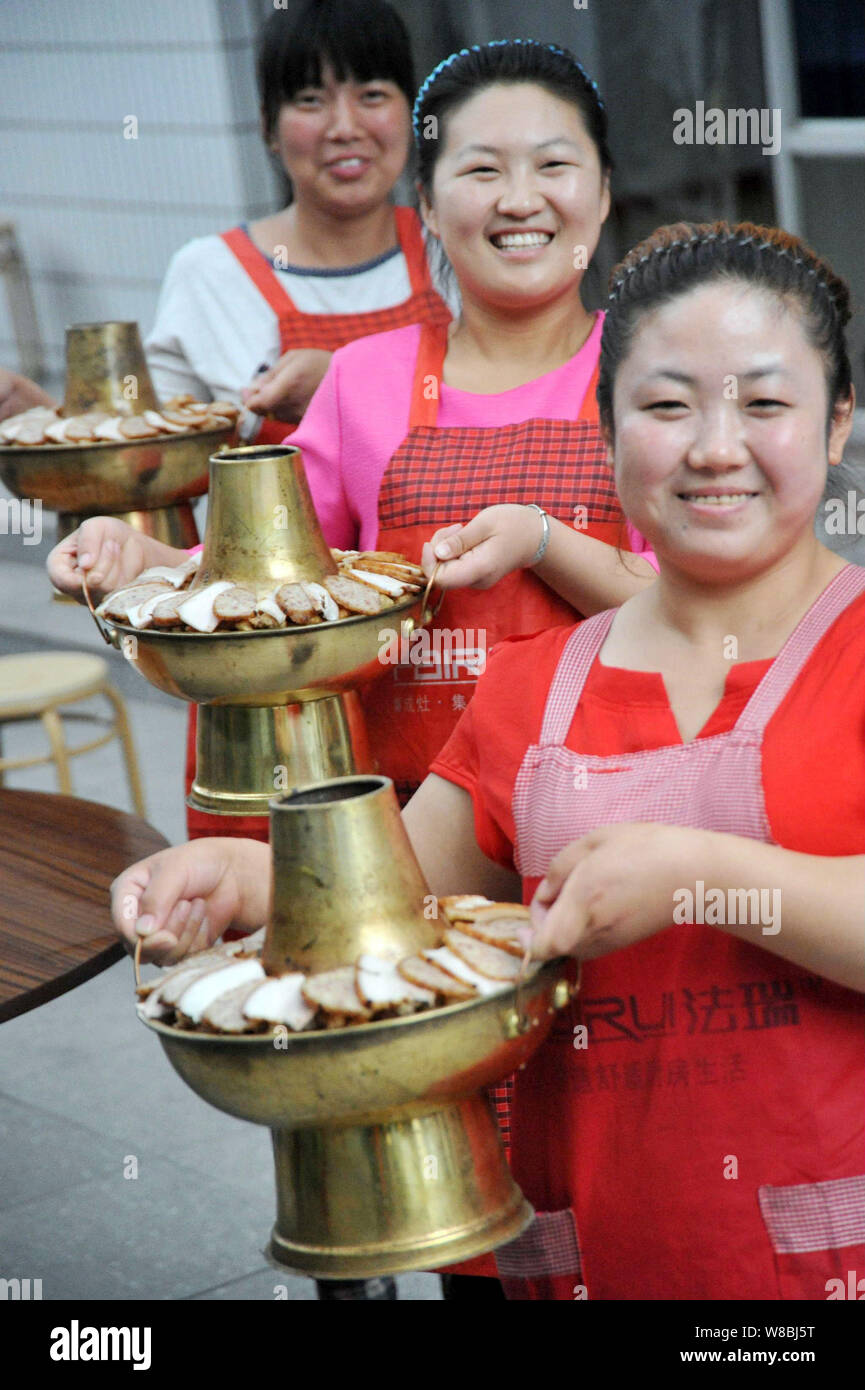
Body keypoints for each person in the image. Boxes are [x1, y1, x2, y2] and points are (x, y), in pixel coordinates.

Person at [108, 221, 864, 1301]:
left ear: (835, 424)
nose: (711, 446)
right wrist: (239, 880)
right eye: (664, 404)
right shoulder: (534, 683)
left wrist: (700, 878)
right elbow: (397, 898)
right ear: (604, 431)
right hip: (581, 1261)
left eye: (763, 402)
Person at [49, 40, 657, 831]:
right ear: (429, 208)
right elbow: (275, 572)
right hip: (392, 828)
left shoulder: (653, 381)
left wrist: (542, 541)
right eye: (480, 171)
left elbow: (691, 607)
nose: (518, 199)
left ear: (603, 192)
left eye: (552, 166)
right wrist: (151, 565)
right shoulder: (362, 379)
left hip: (606, 818)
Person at [1, 0, 451, 434]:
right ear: (267, 127)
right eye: (311, 100)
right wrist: (45, 423)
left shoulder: (455, 251)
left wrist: (345, 386)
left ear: (410, 111)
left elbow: (510, 400)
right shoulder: (211, 275)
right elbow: (154, 450)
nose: (344, 128)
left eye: (372, 95)